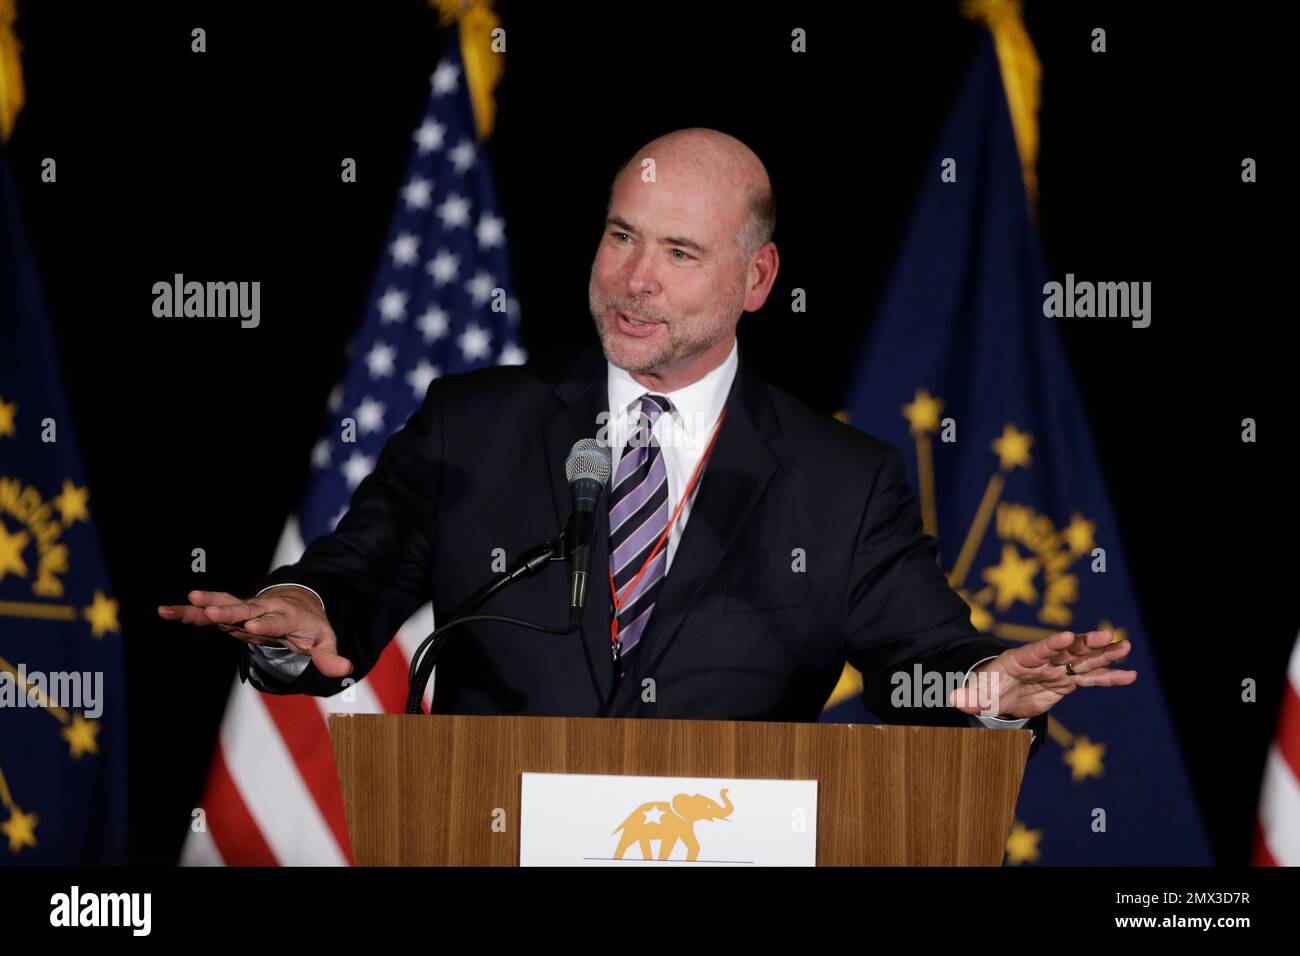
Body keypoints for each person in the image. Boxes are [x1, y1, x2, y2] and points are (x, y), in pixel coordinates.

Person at [158, 128, 1135, 746]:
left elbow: (921, 658)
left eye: (678, 252)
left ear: (756, 281)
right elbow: (352, 574)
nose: (634, 278)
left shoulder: (842, 483)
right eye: (622, 235)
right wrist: (299, 607)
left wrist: (984, 684)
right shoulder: (476, 424)